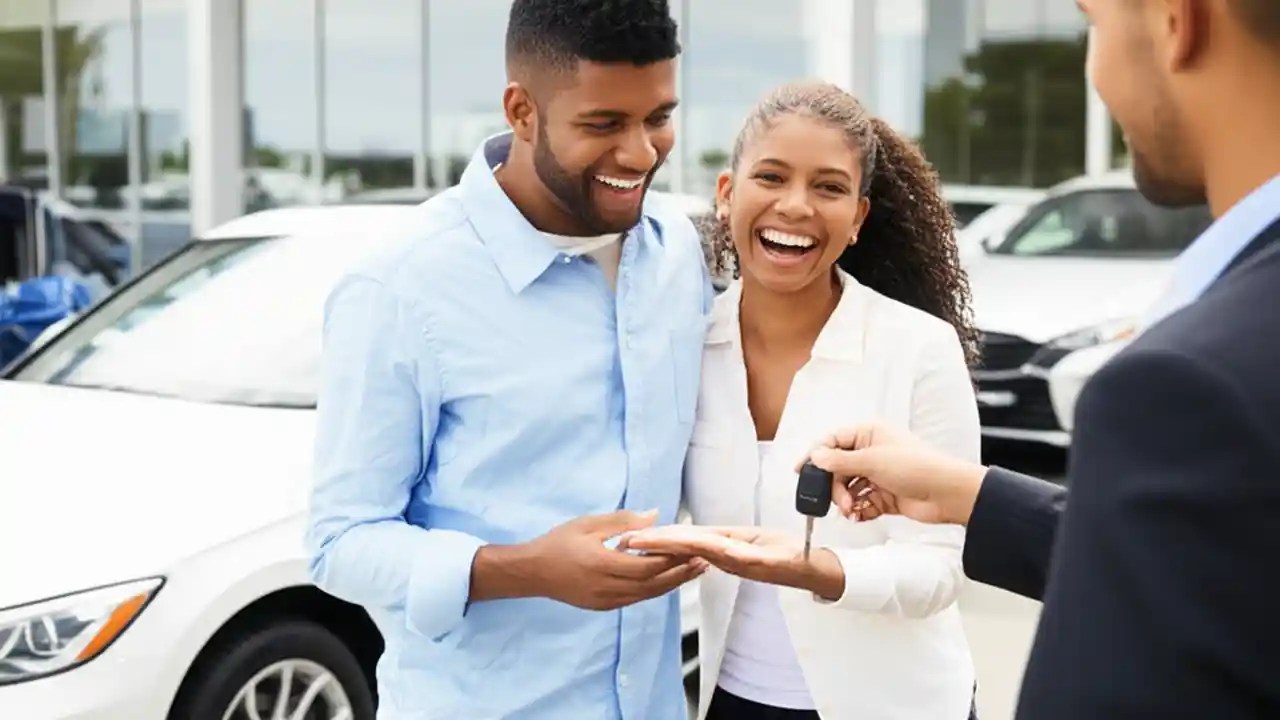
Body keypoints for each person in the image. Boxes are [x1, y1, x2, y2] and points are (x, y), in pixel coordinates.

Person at [804, 0, 1280, 716]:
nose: (1096, 72)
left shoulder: (1185, 384)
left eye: (1094, 24)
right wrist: (973, 495)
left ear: (1177, 21)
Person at [305, 1, 713, 718]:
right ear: (522, 111)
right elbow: (339, 543)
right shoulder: (401, 286)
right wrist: (526, 570)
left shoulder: (676, 251)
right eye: (604, 124)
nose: (641, 153)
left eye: (657, 118)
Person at [623, 82, 983, 720]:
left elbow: (943, 567)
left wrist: (823, 570)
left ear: (858, 218)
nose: (795, 205)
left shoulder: (919, 348)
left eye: (828, 187)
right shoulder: (685, 348)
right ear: (727, 194)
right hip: (734, 701)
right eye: (771, 177)